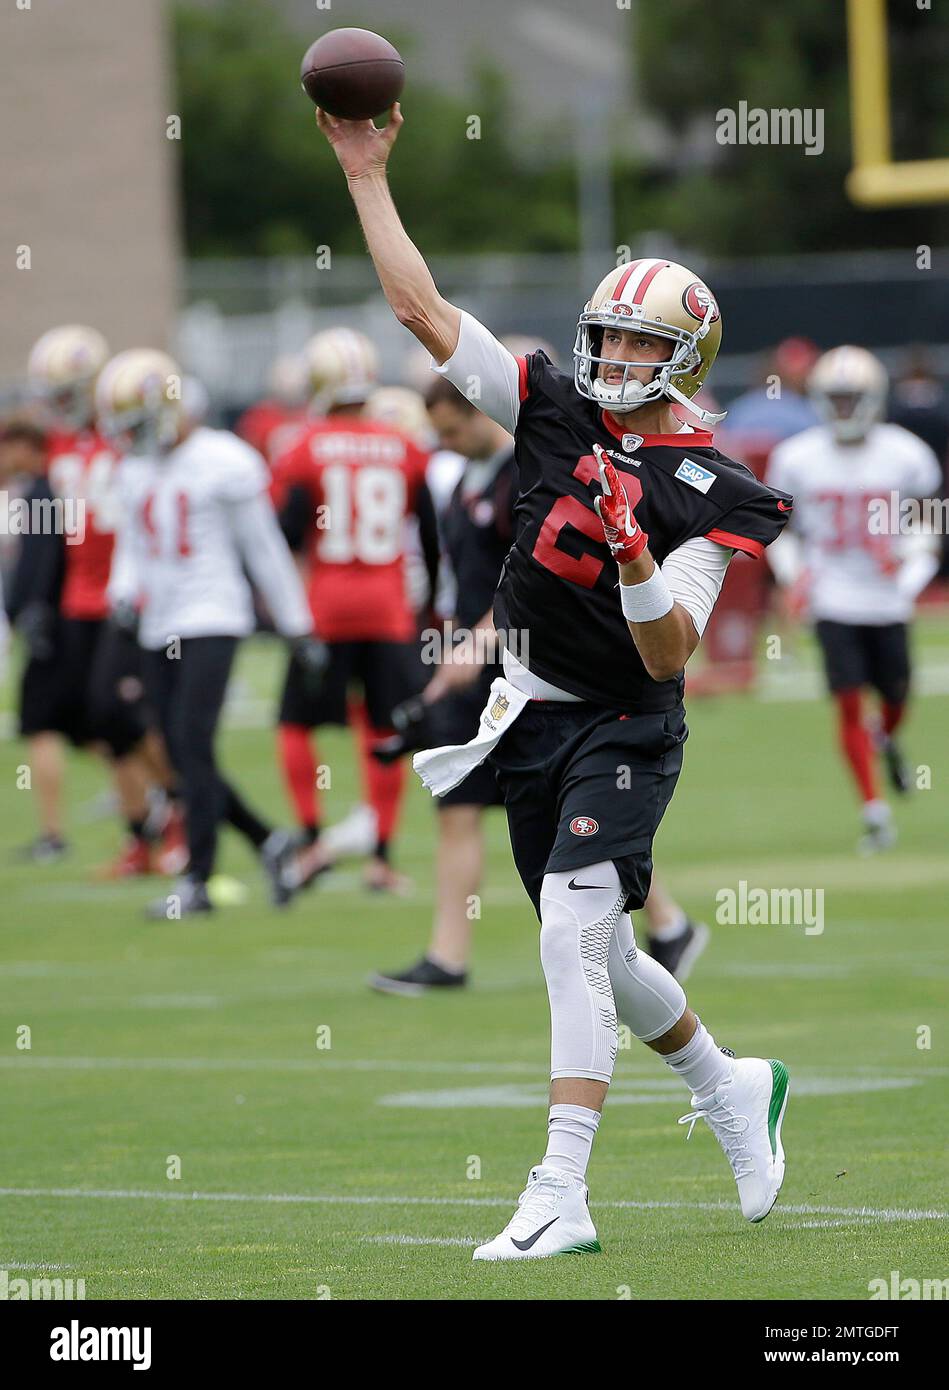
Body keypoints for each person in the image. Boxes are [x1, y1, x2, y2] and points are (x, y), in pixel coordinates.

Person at [315, 101, 793, 1261]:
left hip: (627, 722)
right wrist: (366, 173)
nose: (616, 360)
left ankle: (560, 1192)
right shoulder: (546, 401)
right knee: (606, 954)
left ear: (681, 360)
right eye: (609, 339)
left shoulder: (713, 488)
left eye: (640, 347)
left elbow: (670, 650)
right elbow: (421, 311)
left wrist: (634, 551)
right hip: (524, 707)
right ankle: (734, 1086)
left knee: (569, 934)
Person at [99, 347, 323, 918]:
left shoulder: (223, 459)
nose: (132, 438)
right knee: (177, 750)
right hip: (157, 623)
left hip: (213, 618)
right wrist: (123, 595)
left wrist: (298, 626)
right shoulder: (136, 467)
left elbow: (264, 550)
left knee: (191, 745)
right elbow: (134, 544)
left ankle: (198, 879)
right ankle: (268, 840)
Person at [271, 328, 439, 894]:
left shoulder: (303, 446)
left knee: (296, 723)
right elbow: (432, 537)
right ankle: (382, 858)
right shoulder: (405, 448)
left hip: (327, 609)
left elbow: (286, 535)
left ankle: (313, 839)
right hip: (390, 610)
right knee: (384, 729)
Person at [370, 374, 516, 994]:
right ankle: (447, 957)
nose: (447, 443)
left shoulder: (526, 478)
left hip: (522, 670)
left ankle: (665, 923)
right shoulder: (464, 481)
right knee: (456, 809)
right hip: (473, 669)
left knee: (569, 811)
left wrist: (480, 640)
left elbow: (531, 580)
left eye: (454, 428)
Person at [767, 346, 942, 854]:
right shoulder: (796, 456)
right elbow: (783, 530)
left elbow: (928, 526)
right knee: (847, 701)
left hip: (887, 598)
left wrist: (909, 570)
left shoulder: (906, 453)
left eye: (852, 398)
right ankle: (875, 811)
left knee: (897, 700)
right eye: (836, 398)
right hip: (833, 595)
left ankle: (882, 736)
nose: (844, 408)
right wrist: (794, 576)